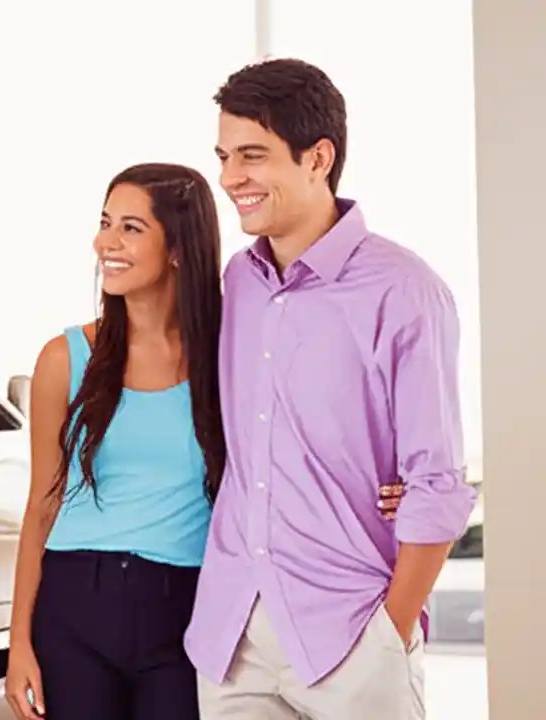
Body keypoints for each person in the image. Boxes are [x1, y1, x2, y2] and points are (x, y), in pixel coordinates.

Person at [184, 57, 478, 719]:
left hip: (351, 630)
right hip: (233, 634)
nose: (231, 178)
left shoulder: (405, 291)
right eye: (225, 155)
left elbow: (438, 484)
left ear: (318, 157)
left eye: (252, 156)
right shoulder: (241, 282)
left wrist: (391, 630)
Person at [4, 163, 229, 720]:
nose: (106, 242)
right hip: (74, 605)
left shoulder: (227, 357)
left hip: (184, 610)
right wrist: (18, 643)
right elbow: (42, 504)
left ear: (177, 247)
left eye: (130, 228)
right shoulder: (65, 358)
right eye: (105, 223)